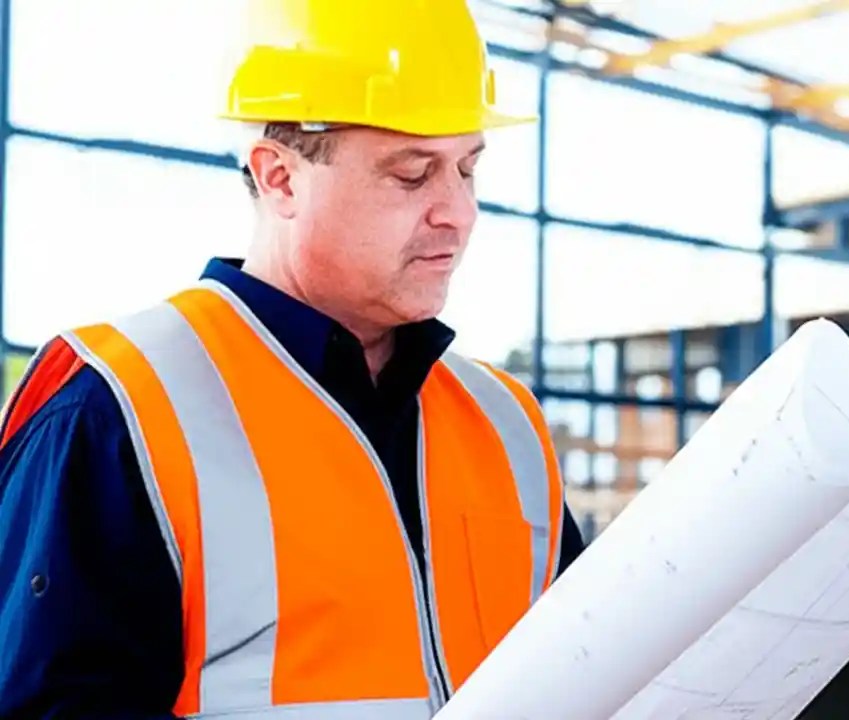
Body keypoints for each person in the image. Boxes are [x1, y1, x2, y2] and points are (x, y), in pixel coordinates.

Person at [0, 1, 584, 717]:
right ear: (279, 178)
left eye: (467, 168)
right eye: (413, 174)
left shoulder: (507, 427)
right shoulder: (120, 410)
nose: (459, 212)